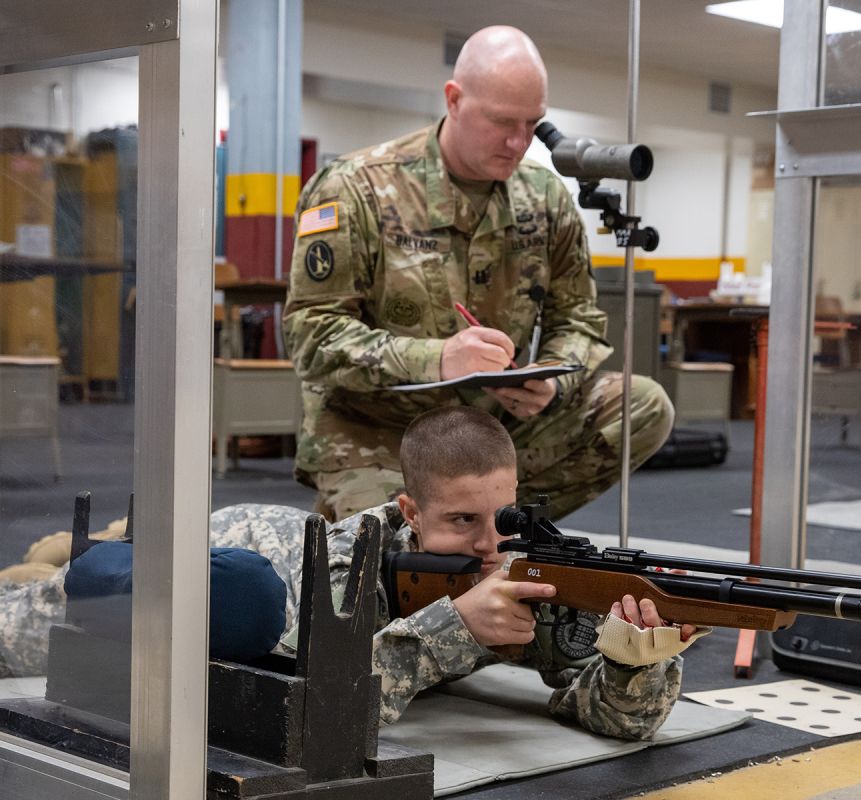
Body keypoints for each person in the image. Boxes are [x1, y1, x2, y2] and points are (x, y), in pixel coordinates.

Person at [0, 408, 703, 740]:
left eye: (506, 518)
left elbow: (613, 720)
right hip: (232, 556)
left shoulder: (516, 565)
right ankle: (76, 555)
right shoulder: (342, 569)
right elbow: (311, 711)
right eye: (462, 521)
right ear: (409, 513)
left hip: (252, 542)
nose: (491, 546)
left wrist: (631, 663)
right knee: (27, 626)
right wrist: (453, 628)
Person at [283, 25, 674, 522]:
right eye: (502, 121)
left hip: (493, 432)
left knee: (644, 405)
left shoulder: (544, 197)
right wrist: (439, 359)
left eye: (533, 124)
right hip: (376, 434)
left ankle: (487, 522)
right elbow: (311, 337)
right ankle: (442, 528)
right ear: (453, 99)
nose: (518, 141)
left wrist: (551, 382)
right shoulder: (355, 188)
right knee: (403, 556)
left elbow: (578, 319)